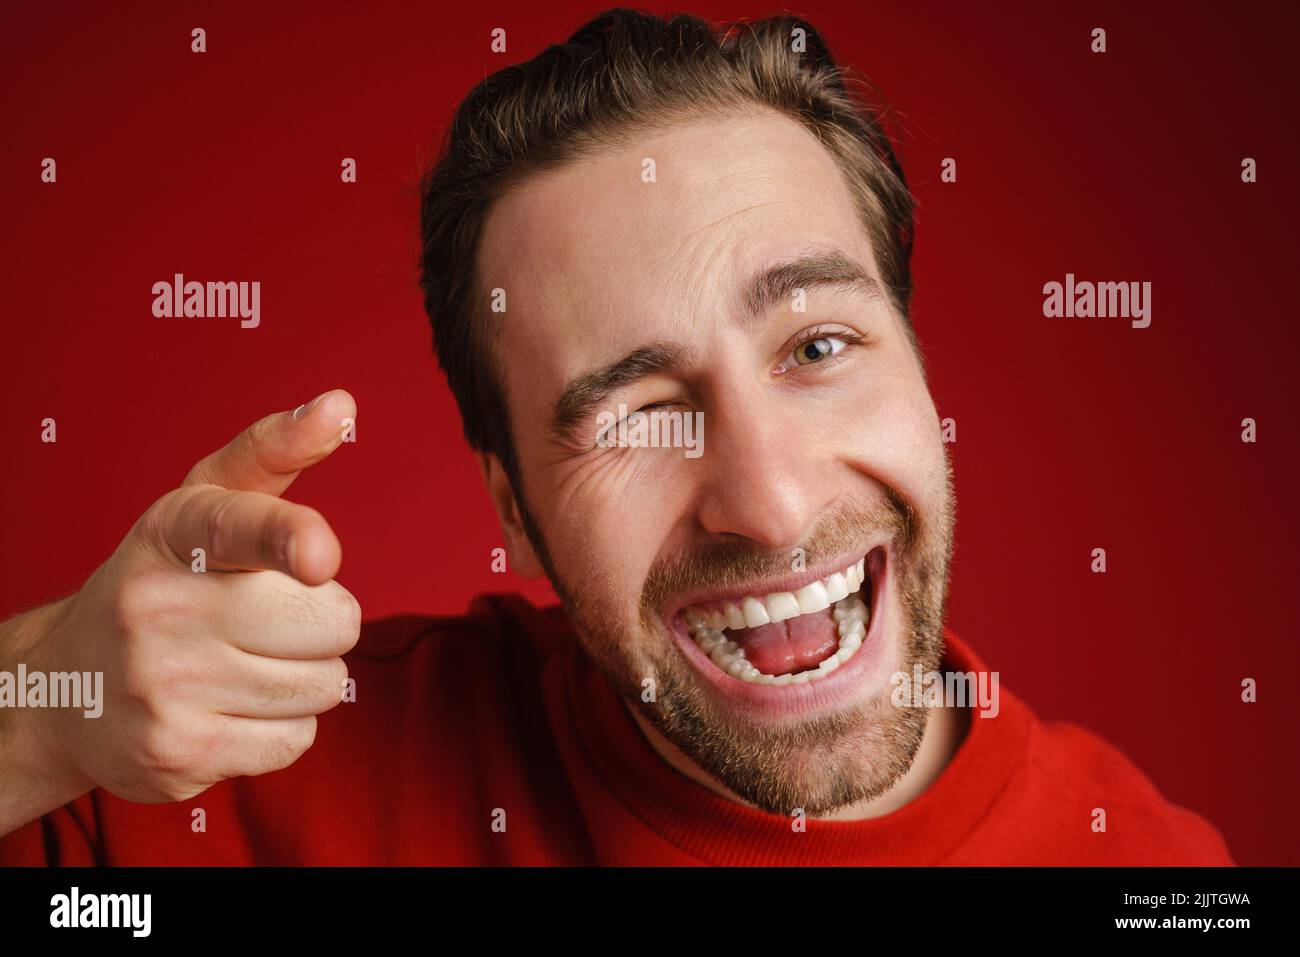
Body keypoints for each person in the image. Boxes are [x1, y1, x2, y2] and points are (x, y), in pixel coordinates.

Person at [0, 8, 1231, 865]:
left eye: (816, 347)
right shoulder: (240, 784)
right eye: (637, 415)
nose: (772, 505)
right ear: (512, 508)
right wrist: (40, 705)